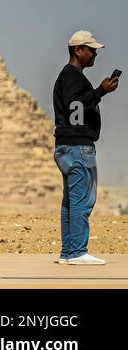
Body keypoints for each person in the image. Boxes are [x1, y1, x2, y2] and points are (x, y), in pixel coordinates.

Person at [52, 30, 118, 265]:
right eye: (91, 50)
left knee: (71, 201)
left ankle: (69, 253)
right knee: (82, 200)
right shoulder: (72, 76)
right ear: (78, 50)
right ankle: (78, 252)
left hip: (67, 145)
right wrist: (100, 92)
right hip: (77, 146)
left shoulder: (70, 76)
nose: (95, 54)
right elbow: (75, 106)